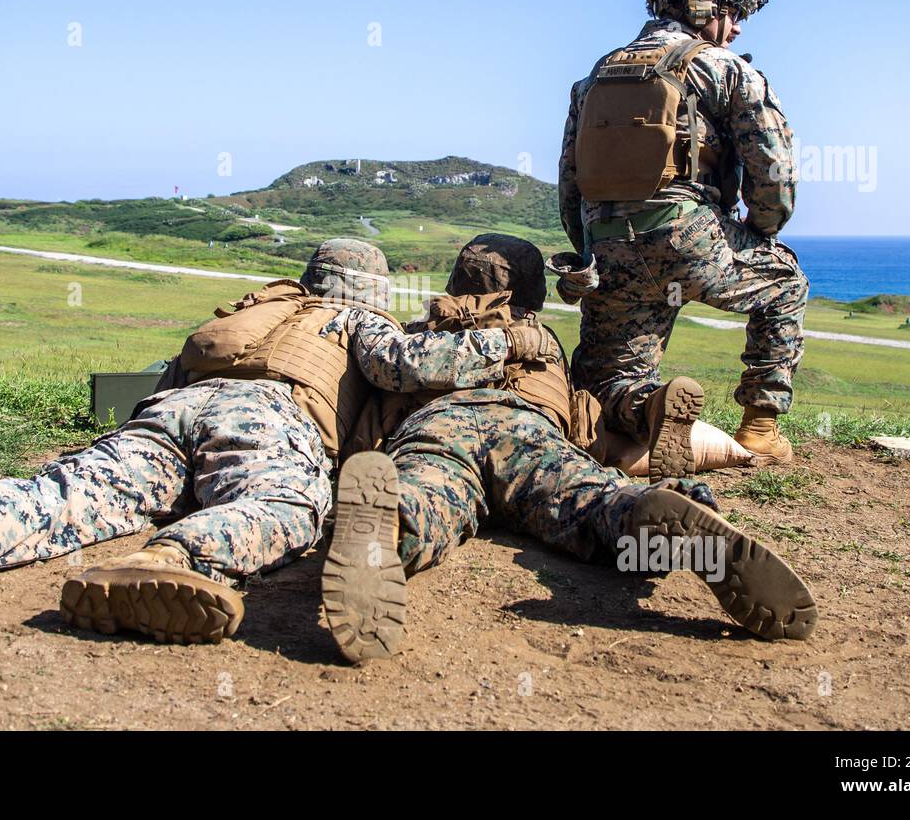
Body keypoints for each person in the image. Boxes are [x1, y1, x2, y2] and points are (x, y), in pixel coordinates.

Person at [0, 239, 551, 647]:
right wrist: (503, 346)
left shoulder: (251, 309)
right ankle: (173, 562)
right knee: (286, 504)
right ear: (367, 291)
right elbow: (410, 367)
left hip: (173, 410)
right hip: (273, 419)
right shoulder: (351, 319)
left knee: (64, 492)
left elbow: (157, 383)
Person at [321, 234, 818, 663]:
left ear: (455, 282)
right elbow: (581, 414)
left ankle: (390, 523)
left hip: (439, 430)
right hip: (529, 430)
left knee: (426, 495)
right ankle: (648, 513)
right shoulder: (542, 339)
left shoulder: (419, 333)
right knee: (589, 500)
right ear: (533, 293)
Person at [558, 0, 807, 465]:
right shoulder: (726, 70)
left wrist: (591, 250)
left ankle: (642, 414)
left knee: (610, 376)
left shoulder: (597, 74)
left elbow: (570, 181)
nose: (735, 28)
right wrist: (762, 230)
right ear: (702, 5)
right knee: (784, 282)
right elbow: (774, 170)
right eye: (731, 13)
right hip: (689, 238)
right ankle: (760, 427)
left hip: (607, 244)